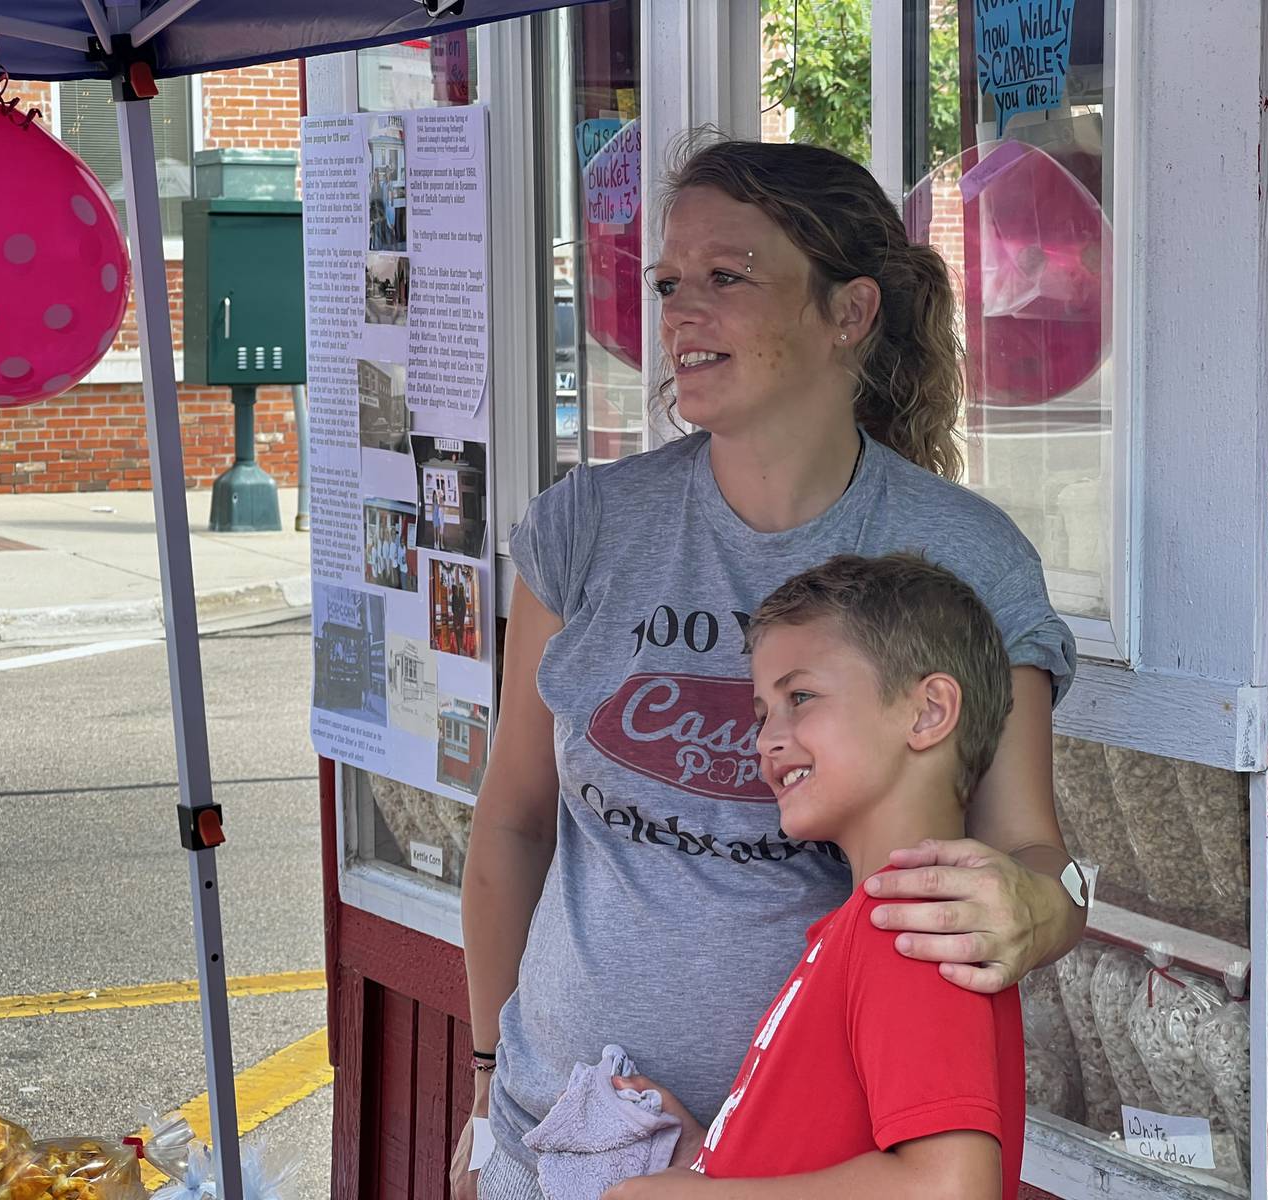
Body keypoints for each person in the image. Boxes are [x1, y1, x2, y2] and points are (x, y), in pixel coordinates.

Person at [455, 138, 1086, 1200]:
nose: (679, 312)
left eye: (726, 277)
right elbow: (513, 821)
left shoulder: (964, 557)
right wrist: (484, 1099)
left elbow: (1034, 859)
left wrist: (1041, 910)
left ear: (849, 312)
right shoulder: (588, 527)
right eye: (667, 284)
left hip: (795, 1167)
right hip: (556, 1129)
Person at [601, 553, 1024, 1199]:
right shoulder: (865, 924)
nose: (766, 739)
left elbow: (950, 1188)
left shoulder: (914, 925)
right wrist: (705, 1156)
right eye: (761, 714)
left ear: (929, 712)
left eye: (800, 697)